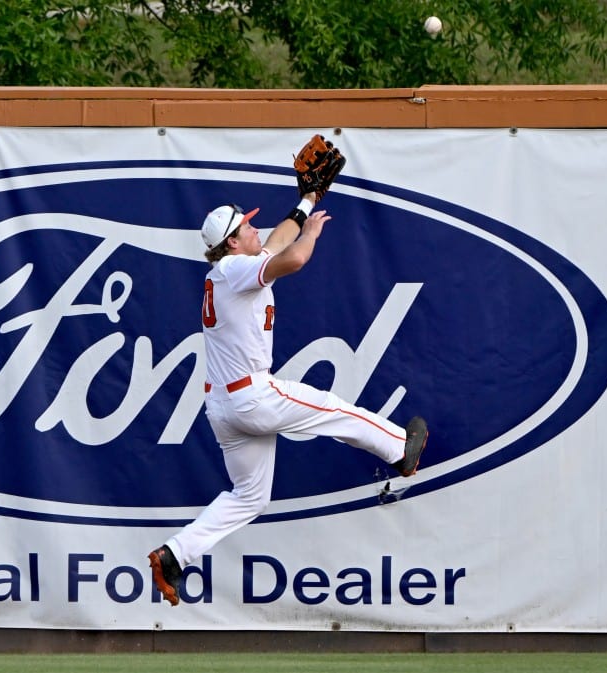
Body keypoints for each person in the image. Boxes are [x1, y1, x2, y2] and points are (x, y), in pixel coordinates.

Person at [147, 183, 428, 608]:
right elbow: (293, 257)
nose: (254, 227)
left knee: (250, 497)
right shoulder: (233, 269)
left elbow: (277, 242)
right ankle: (398, 449)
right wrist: (311, 235)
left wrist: (306, 203)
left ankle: (174, 555)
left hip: (223, 407)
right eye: (246, 226)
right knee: (332, 408)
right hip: (252, 396)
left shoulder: (230, 268)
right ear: (232, 242)